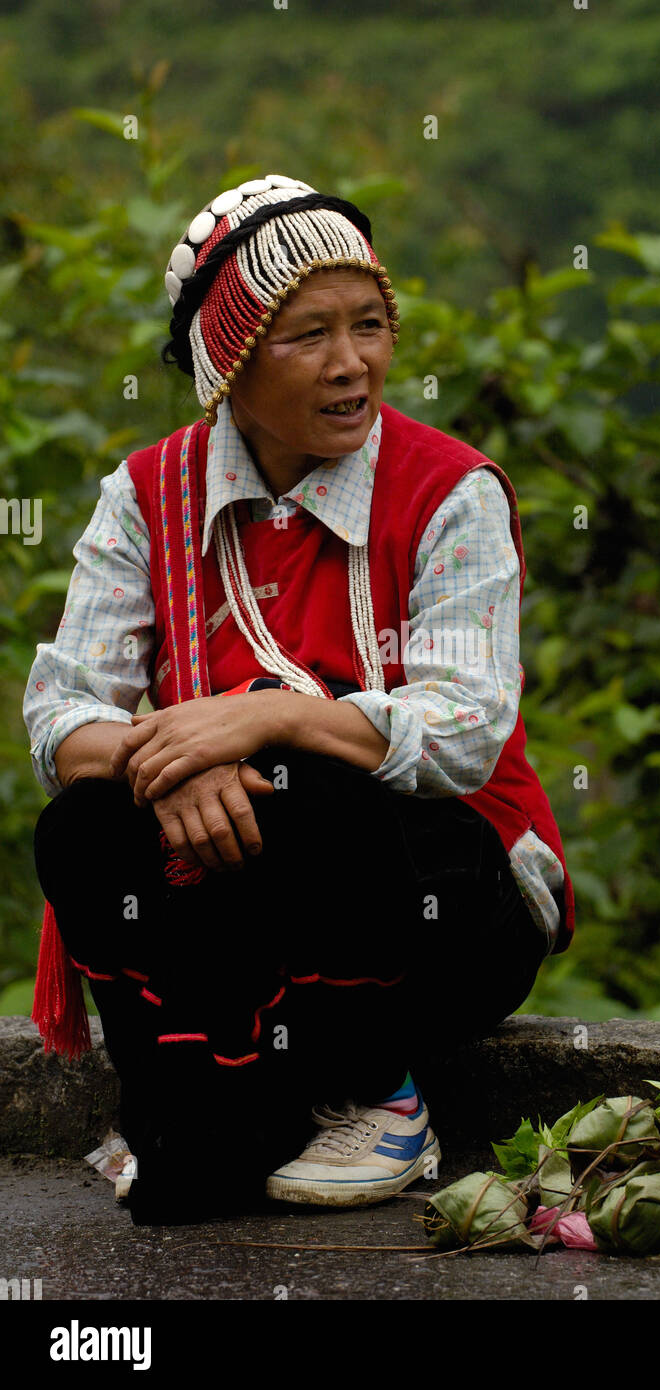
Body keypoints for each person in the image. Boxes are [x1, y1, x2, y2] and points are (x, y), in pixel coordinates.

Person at [23, 175, 575, 1226]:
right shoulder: (144, 499)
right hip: (240, 890)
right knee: (85, 826)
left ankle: (378, 1091)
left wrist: (266, 719)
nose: (352, 362)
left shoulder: (449, 491)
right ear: (225, 357)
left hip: (445, 902)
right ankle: (210, 1096)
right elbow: (60, 715)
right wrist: (183, 757)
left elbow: (464, 728)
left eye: (369, 326)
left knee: (311, 782)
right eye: (306, 335)